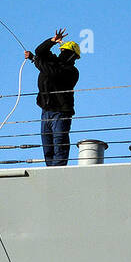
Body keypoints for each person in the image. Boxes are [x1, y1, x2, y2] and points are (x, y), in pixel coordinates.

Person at [25, 28, 81, 166]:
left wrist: (36, 61)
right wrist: (52, 41)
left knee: (59, 144)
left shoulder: (72, 71)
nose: (62, 53)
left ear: (73, 56)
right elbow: (40, 52)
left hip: (60, 113)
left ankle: (58, 173)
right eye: (61, 50)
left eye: (66, 52)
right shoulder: (53, 62)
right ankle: (51, 173)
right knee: (48, 147)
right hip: (46, 111)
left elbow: (51, 72)